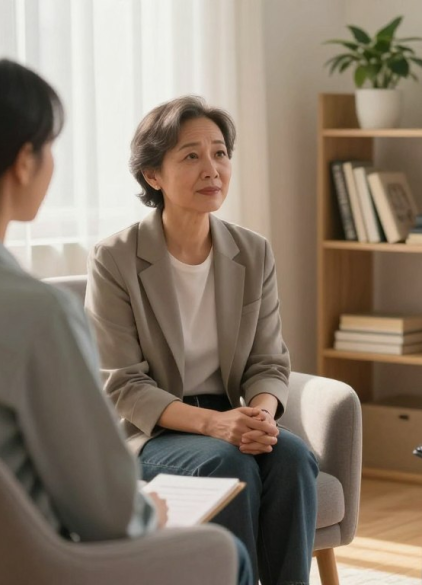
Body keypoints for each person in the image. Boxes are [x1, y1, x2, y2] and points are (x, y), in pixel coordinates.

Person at [0, 53, 252, 585]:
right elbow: (108, 515)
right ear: (23, 162)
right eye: (49, 147)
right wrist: (149, 511)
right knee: (220, 552)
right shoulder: (35, 313)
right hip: (22, 566)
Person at [86, 95, 318, 585]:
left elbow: (269, 362)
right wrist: (216, 425)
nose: (211, 168)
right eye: (191, 155)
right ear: (153, 176)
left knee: (293, 455)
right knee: (227, 459)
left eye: (220, 153)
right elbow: (123, 384)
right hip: (151, 430)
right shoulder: (115, 259)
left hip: (230, 417)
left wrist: (259, 415)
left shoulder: (251, 251)